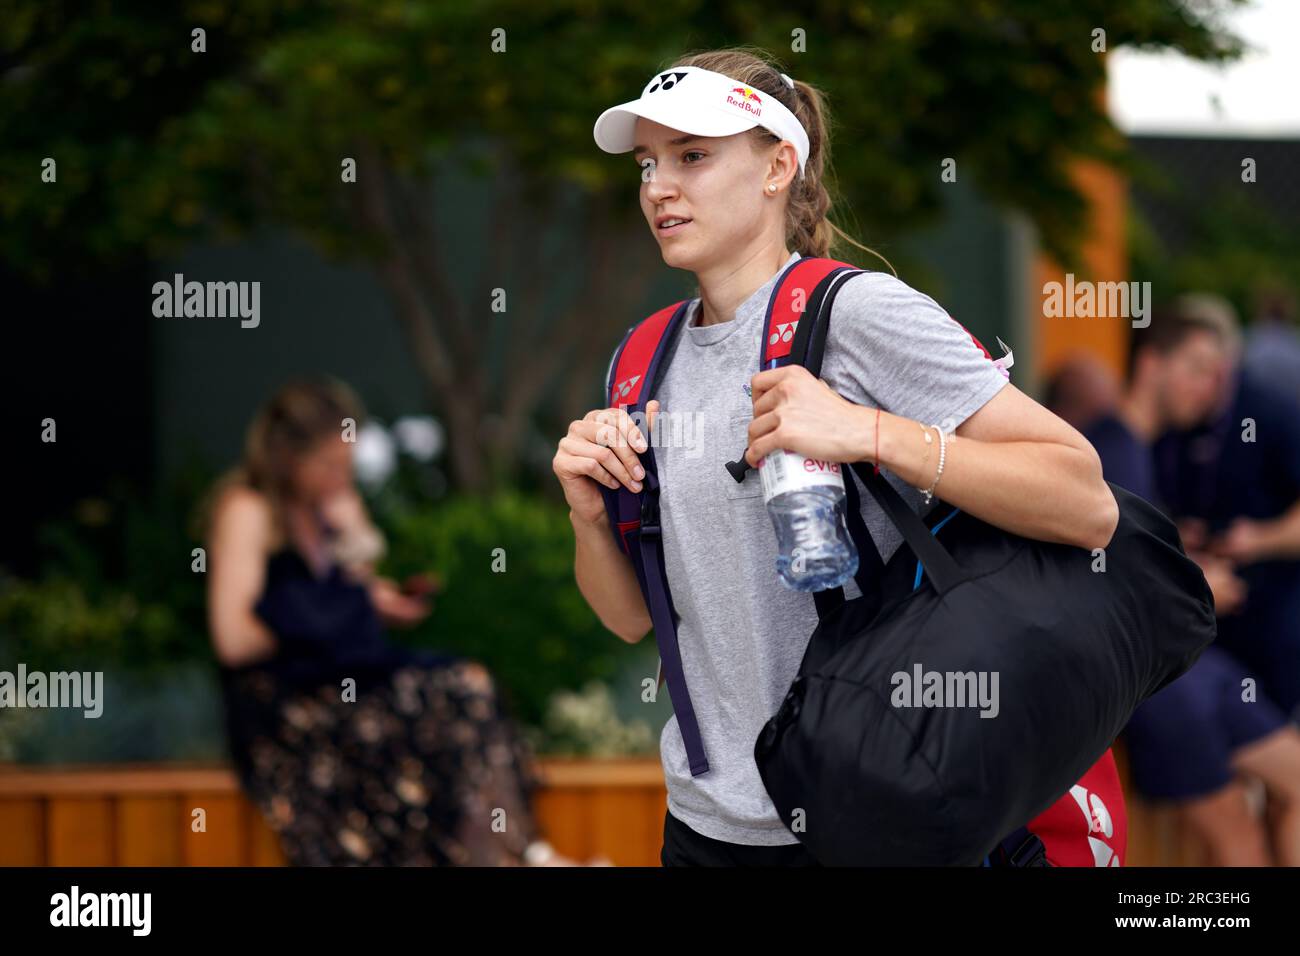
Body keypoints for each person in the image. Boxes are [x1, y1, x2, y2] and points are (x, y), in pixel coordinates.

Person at [555, 48, 1121, 865]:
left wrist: (867, 432)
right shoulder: (643, 357)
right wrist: (584, 510)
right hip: (708, 828)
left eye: (692, 156)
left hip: (875, 807)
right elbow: (632, 618)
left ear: (779, 164)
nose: (658, 187)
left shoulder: (860, 314)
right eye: (647, 163)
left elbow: (1085, 499)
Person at [204, 377, 599, 866]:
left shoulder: (321, 508)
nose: (339, 479)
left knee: (467, 687)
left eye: (347, 466)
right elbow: (235, 639)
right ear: (290, 456)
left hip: (336, 681)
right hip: (282, 701)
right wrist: (341, 608)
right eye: (329, 465)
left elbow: (339, 601)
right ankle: (505, 858)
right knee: (440, 704)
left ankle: (518, 852)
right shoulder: (248, 508)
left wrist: (360, 559)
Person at [1083, 309, 1300, 866]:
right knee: (1237, 835)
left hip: (1201, 665)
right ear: (1152, 363)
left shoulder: (1153, 447)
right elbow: (1106, 577)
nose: (1211, 387)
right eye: (1199, 368)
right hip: (1157, 681)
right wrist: (1202, 582)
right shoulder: (1108, 448)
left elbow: (1140, 555)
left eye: (1218, 373)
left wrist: (1191, 558)